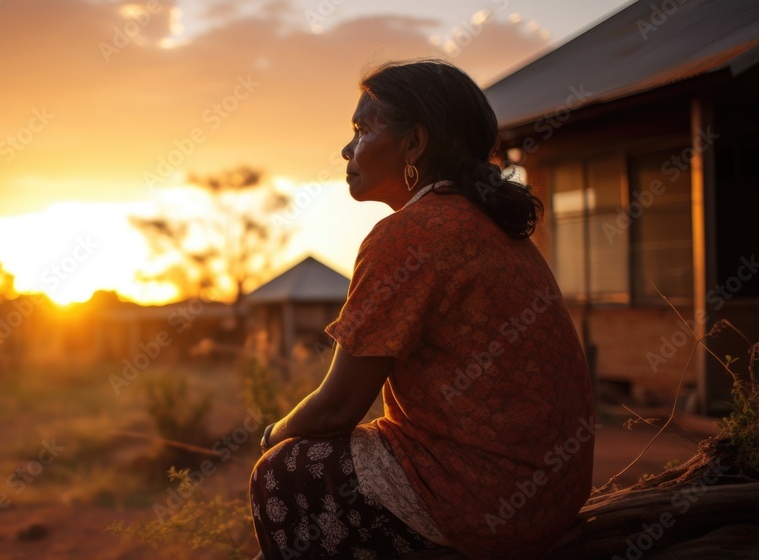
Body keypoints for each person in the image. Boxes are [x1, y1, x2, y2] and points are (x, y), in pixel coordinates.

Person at [249, 59, 595, 560]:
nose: (347, 149)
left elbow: (337, 408)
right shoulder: (490, 224)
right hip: (553, 498)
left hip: (490, 504)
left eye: (362, 130)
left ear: (414, 144)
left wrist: (271, 435)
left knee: (285, 471)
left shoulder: (410, 234)